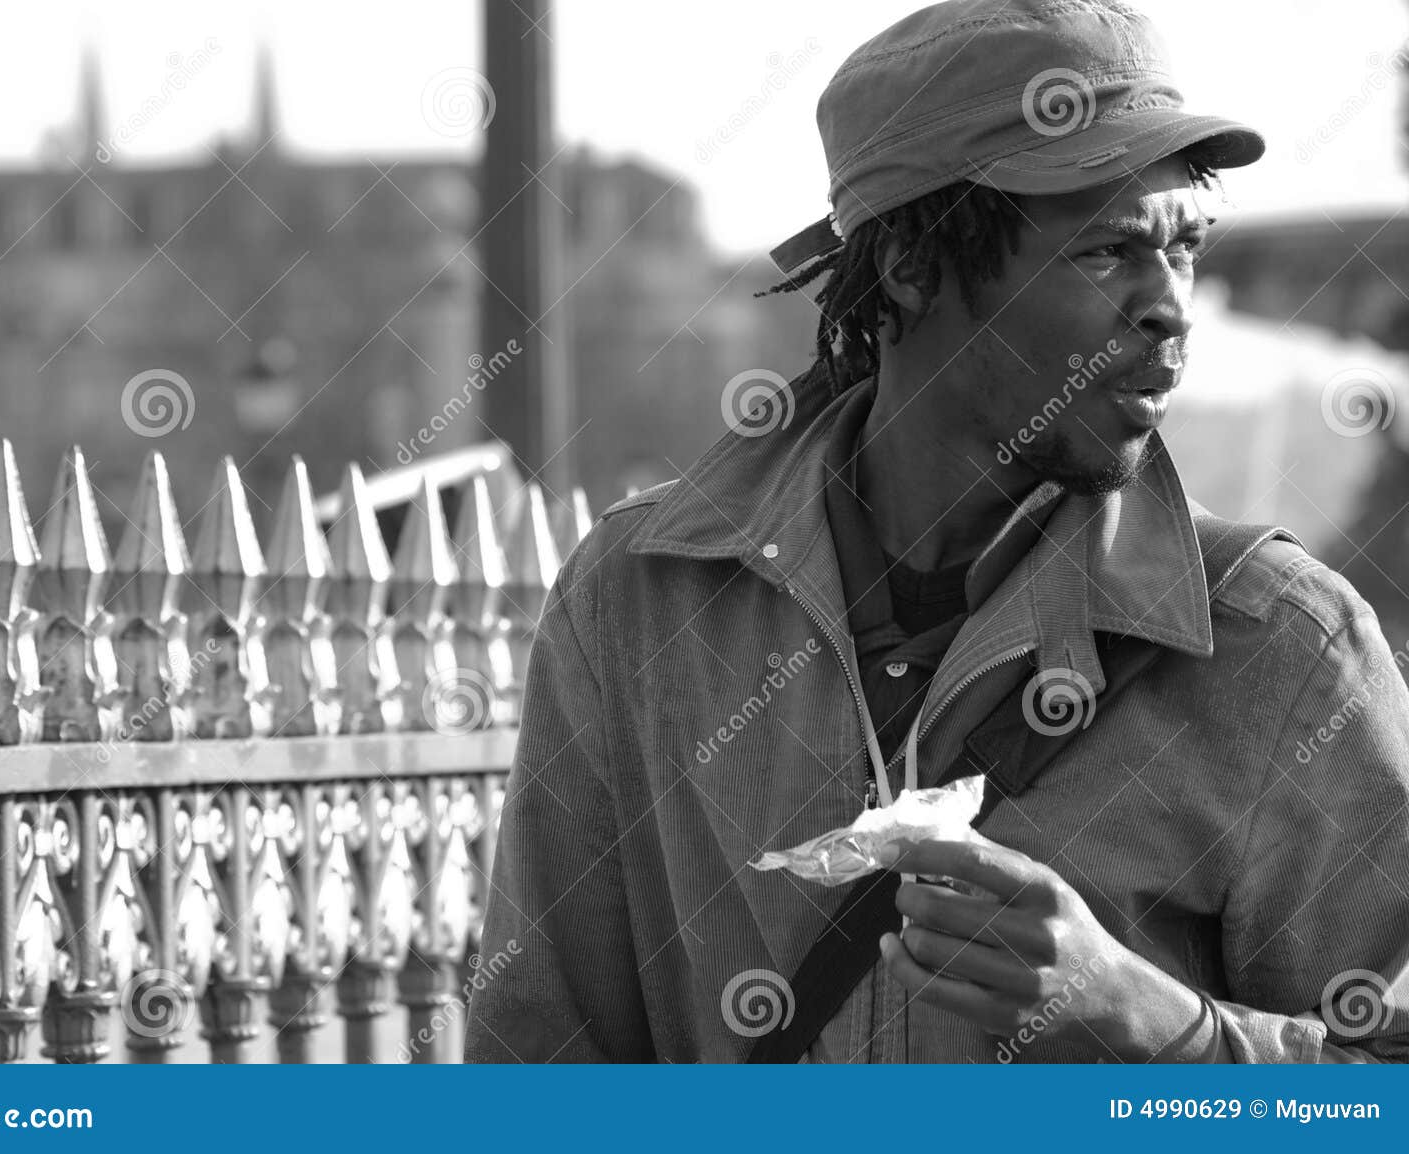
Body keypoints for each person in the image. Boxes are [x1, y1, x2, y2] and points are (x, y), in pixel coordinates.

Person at [464, 0, 1409, 1062]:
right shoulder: (639, 600)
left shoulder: (1284, 649)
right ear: (912, 265)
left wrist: (1157, 1025)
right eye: (1107, 251)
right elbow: (536, 1066)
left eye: (1185, 247)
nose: (1171, 307)